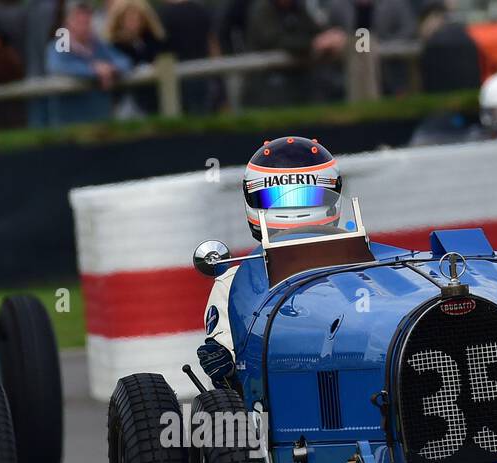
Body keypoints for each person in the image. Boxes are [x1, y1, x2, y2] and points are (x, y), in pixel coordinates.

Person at [197, 135, 343, 386]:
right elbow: (227, 367)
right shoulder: (235, 283)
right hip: (273, 391)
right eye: (277, 198)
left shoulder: (362, 265)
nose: (293, 206)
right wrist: (224, 362)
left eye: (305, 197)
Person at [45, 2, 133, 125]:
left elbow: (124, 61)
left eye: (86, 19)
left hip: (101, 120)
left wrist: (111, 69)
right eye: (78, 19)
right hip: (70, 123)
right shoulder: (59, 45)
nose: (83, 23)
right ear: (68, 21)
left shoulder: (97, 44)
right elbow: (57, 66)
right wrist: (94, 70)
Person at [105, 0, 167, 115]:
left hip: (153, 98)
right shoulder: (116, 46)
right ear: (120, 20)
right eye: (129, 19)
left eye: (136, 18)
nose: (133, 22)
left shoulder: (152, 41)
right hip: (127, 99)